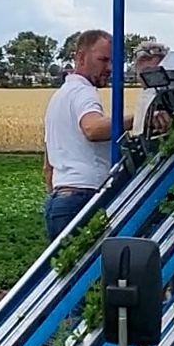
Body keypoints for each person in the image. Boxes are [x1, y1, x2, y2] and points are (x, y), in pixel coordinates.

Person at [43, 29, 130, 240]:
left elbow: (47, 164)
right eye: (103, 60)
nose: (109, 68)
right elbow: (92, 129)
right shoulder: (84, 92)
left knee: (66, 270)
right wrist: (138, 119)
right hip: (83, 197)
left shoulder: (60, 97)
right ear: (80, 57)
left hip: (60, 200)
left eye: (112, 62)